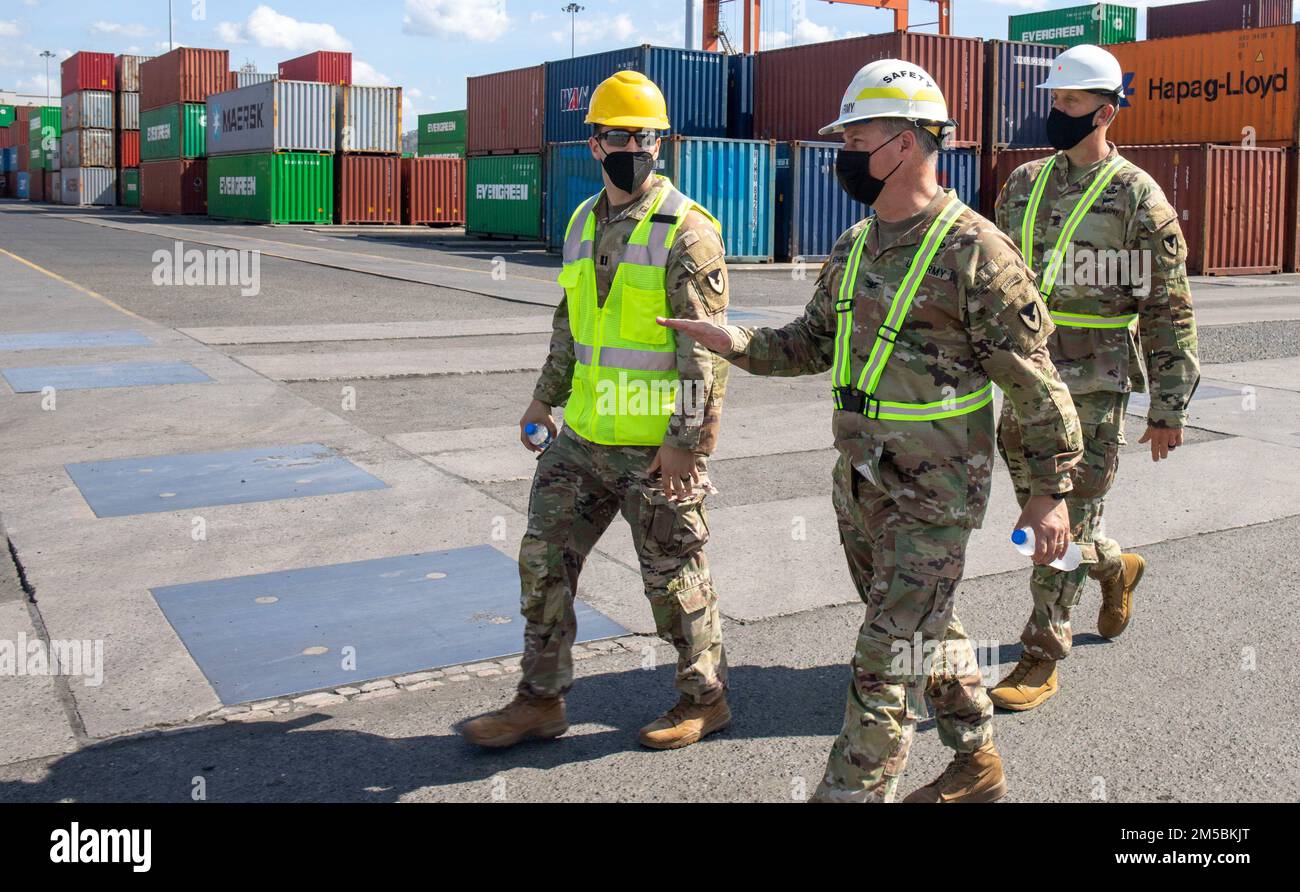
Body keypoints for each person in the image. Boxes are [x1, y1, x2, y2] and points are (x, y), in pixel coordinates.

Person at [661, 60, 1083, 802]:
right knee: (921, 631)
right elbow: (809, 343)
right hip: (860, 481)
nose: (844, 150)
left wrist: (1051, 492)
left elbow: (1038, 385)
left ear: (910, 143)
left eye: (858, 134)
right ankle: (977, 762)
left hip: (938, 491)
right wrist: (735, 341)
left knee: (883, 659)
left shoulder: (976, 252)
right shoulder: (855, 245)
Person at [461, 71, 733, 751]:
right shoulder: (582, 221)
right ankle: (540, 700)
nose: (631, 148)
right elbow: (571, 326)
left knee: (676, 583)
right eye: (618, 136)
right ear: (594, 143)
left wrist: (686, 443)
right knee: (543, 563)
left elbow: (705, 355)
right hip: (582, 439)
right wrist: (543, 399)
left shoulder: (688, 232)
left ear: (660, 142)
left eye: (643, 137)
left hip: (654, 447)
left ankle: (706, 699)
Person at [989, 44, 1200, 711]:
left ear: (1107, 111)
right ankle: (1115, 566)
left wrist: (1168, 407)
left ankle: (1041, 653)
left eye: (1072, 103)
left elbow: (1168, 307)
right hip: (1026, 381)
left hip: (1097, 385)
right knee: (1039, 525)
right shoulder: (1022, 183)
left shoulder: (1139, 197)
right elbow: (989, 282)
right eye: (1055, 101)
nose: (1059, 112)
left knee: (1061, 518)